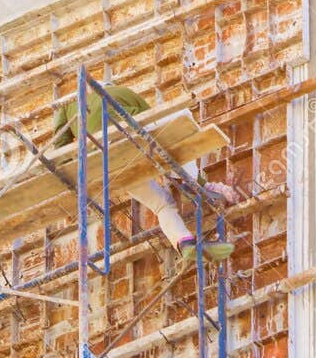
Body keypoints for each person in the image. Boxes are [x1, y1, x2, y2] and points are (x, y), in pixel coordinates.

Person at [52, 87, 239, 262]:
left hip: (107, 163)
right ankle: (191, 183)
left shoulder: (68, 105)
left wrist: (76, 186)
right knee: (181, 117)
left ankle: (184, 243)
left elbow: (60, 149)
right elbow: (149, 119)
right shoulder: (116, 91)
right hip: (132, 139)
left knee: (161, 205)